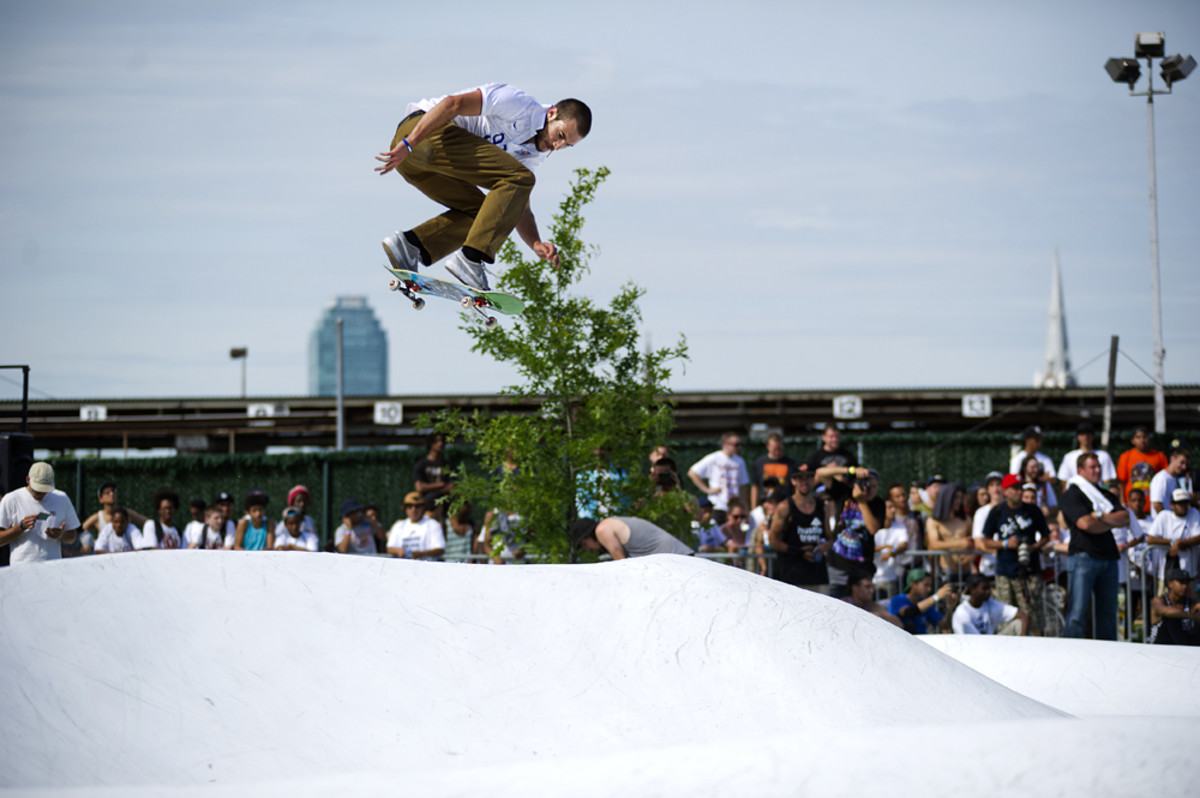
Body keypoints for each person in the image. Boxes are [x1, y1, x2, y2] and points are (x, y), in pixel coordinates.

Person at [375, 83, 592, 291]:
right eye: (560, 135)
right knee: (520, 178)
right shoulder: (518, 104)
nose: (557, 146)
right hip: (423, 132)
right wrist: (410, 142)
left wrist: (535, 242)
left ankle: (410, 245)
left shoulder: (533, 156)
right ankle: (472, 259)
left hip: (418, 164)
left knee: (485, 216)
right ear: (552, 113)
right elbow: (453, 104)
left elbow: (519, 206)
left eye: (567, 145)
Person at [1060, 452, 1129, 640]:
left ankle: (1108, 655)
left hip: (1108, 557)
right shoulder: (1071, 494)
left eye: (1099, 466)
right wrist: (1109, 520)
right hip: (1083, 557)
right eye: (1093, 467)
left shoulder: (1106, 495)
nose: (1098, 470)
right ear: (1080, 470)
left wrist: (1100, 516)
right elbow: (1085, 524)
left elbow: (1125, 517)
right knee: (1077, 614)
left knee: (1107, 615)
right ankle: (1069, 654)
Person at [977, 474, 1052, 635]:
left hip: (1029, 571)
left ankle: (1036, 647)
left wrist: (1033, 547)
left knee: (1033, 615)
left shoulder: (1032, 510)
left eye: (1020, 488)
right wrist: (1005, 544)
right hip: (1005, 571)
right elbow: (986, 541)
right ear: (1006, 491)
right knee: (1006, 615)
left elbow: (1046, 536)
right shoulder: (997, 512)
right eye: (1015, 488)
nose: (1019, 492)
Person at [815, 463, 883, 598]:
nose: (869, 490)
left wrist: (862, 502)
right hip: (837, 565)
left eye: (874, 487)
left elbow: (872, 528)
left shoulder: (878, 503)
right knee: (835, 607)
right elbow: (820, 473)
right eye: (866, 485)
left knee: (862, 610)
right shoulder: (844, 493)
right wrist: (850, 470)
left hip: (862, 568)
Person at [0, 462, 81, 565]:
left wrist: (60, 535)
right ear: (28, 480)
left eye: (45, 490)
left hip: (52, 571)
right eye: (37, 489)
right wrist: (19, 527)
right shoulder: (11, 499)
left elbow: (73, 537)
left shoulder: (62, 498)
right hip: (21, 571)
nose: (41, 494)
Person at [769, 464, 832, 593]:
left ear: (813, 480)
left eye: (808, 478)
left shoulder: (821, 507)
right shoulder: (785, 507)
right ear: (793, 481)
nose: (804, 482)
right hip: (792, 575)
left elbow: (830, 538)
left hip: (817, 575)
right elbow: (772, 539)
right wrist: (798, 551)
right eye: (800, 478)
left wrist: (826, 545)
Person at [687, 432, 751, 525]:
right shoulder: (715, 458)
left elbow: (743, 486)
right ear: (725, 444)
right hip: (718, 505)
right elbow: (692, 472)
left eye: (739, 445)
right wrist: (707, 490)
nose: (738, 448)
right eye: (736, 445)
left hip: (734, 508)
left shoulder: (740, 461)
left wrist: (745, 508)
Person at [1145, 489, 1200, 592]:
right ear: (1172, 505)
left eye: (1185, 503)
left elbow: (1198, 537)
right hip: (1167, 574)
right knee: (1164, 604)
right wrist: (1173, 542)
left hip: (1189, 573)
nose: (1183, 506)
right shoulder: (1164, 516)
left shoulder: (1194, 513)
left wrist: (1180, 543)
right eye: (1180, 503)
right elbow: (1150, 539)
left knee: (1190, 606)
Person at [570, 516, 693, 559]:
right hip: (678, 553)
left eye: (584, 544)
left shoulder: (602, 530)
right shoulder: (610, 522)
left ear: (588, 536)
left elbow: (622, 564)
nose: (587, 549)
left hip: (675, 556)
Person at [925, 482, 975, 582]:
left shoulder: (966, 520)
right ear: (947, 498)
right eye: (955, 497)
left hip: (966, 570)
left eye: (960, 498)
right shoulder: (933, 521)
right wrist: (959, 543)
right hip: (947, 570)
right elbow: (934, 544)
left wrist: (971, 556)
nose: (959, 501)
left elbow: (974, 542)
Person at [952, 574, 1029, 635]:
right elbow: (972, 641)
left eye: (989, 588)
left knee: (1019, 624)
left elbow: (1023, 616)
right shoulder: (962, 612)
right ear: (972, 589)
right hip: (972, 649)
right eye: (984, 588)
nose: (988, 592)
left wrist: (1023, 635)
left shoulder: (990, 603)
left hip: (991, 645)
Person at [1116, 426, 1168, 514]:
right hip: (1132, 507)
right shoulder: (1126, 456)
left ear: (1149, 438)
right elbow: (1121, 482)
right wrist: (1123, 502)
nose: (1142, 440)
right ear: (1133, 440)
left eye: (1144, 437)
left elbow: (1165, 480)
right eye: (1138, 437)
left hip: (1153, 506)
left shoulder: (1159, 456)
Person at [888, 568, 956, 635]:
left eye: (930, 586)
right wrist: (936, 596)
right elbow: (909, 612)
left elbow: (944, 625)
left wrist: (949, 608)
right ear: (913, 584)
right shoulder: (898, 599)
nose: (929, 589)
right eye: (925, 585)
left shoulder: (925, 603)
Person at [1057, 421, 1117, 490]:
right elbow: (1064, 482)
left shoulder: (1104, 456)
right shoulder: (1069, 457)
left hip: (1097, 496)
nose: (1086, 436)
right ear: (1078, 437)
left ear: (1093, 436)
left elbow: (1107, 481)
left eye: (1088, 433)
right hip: (1075, 496)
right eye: (1082, 433)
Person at [1147, 568, 1200, 645]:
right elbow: (1164, 611)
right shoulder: (1159, 601)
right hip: (1160, 648)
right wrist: (1194, 616)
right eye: (1181, 582)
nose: (1185, 586)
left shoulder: (1191, 603)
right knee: (1171, 621)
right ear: (1170, 584)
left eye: (1186, 582)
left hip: (1181, 645)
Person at [386, 492, 447, 560]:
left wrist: (422, 554)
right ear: (405, 509)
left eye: (417, 506)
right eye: (410, 506)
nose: (413, 509)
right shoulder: (399, 525)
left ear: (423, 508)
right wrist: (398, 551)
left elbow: (441, 549)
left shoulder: (433, 524)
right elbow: (389, 548)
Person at [81, 481, 148, 542]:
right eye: (107, 493)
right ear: (100, 499)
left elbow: (148, 523)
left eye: (113, 491)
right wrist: (93, 542)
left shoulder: (127, 513)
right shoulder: (97, 518)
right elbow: (80, 532)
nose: (112, 494)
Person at [413, 434, 455, 521]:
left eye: (442, 441)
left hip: (446, 507)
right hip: (427, 505)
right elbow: (420, 487)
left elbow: (452, 487)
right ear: (430, 444)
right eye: (437, 441)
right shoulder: (421, 464)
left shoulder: (448, 465)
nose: (440, 444)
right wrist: (441, 484)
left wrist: (430, 488)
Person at [750, 433, 796, 509]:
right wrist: (753, 507)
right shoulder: (760, 463)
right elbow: (755, 486)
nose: (777, 452)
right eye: (775, 449)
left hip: (785, 504)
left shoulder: (791, 463)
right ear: (768, 446)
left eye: (779, 449)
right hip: (765, 505)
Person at [1149, 447, 1192, 517]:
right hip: (1164, 526)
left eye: (1186, 464)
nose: (1184, 467)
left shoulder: (1174, 478)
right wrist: (1167, 522)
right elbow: (1157, 505)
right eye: (1182, 462)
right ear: (1172, 459)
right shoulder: (1161, 478)